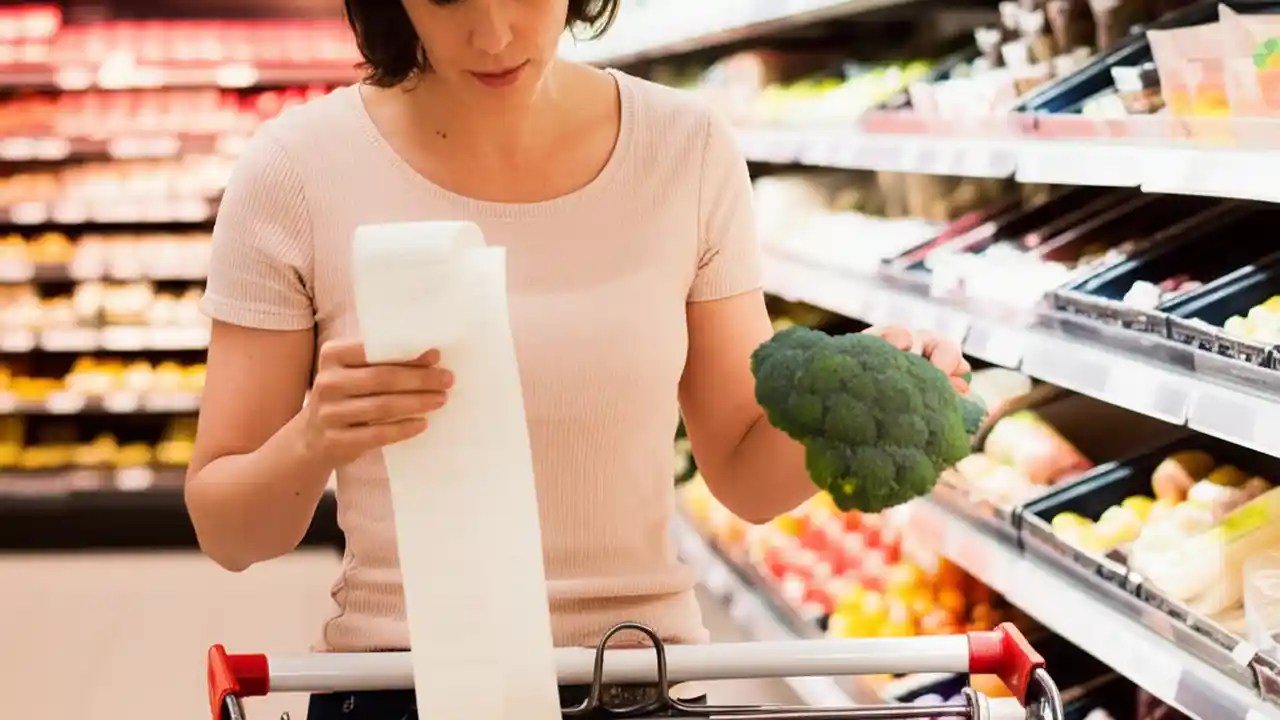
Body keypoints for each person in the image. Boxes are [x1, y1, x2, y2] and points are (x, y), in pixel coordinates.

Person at [185, 0, 972, 717]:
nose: (494, 33)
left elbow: (743, 472)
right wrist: (314, 436)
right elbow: (228, 530)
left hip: (636, 682)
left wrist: (855, 407)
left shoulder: (685, 151)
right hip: (403, 686)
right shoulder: (295, 171)